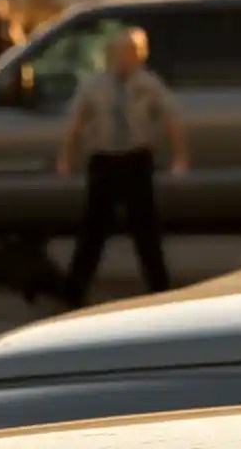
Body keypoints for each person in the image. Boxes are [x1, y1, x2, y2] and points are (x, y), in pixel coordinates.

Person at [56, 28, 187, 307]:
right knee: (93, 229)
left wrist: (179, 157)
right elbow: (76, 123)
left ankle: (159, 288)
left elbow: (170, 119)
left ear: (140, 55)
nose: (124, 58)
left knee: (145, 229)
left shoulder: (149, 84)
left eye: (131, 52)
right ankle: (73, 291)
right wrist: (67, 157)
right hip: (104, 161)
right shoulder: (94, 86)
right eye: (119, 52)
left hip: (136, 160)